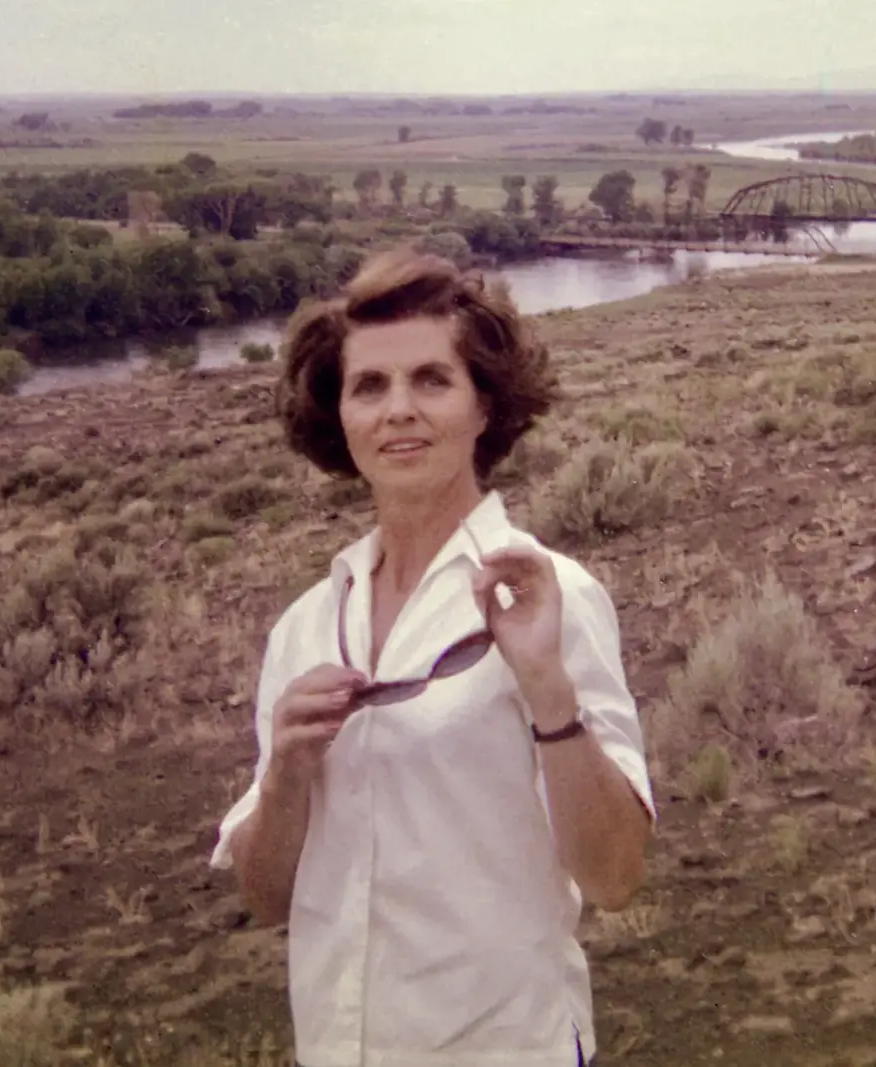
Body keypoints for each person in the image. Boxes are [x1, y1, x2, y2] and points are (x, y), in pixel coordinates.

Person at [209, 249, 656, 1067]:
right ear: (338, 416)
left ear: (485, 405)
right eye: (369, 386)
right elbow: (268, 898)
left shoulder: (552, 597)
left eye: (432, 380)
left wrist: (550, 694)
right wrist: (286, 774)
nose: (399, 410)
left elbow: (617, 876)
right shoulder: (307, 626)